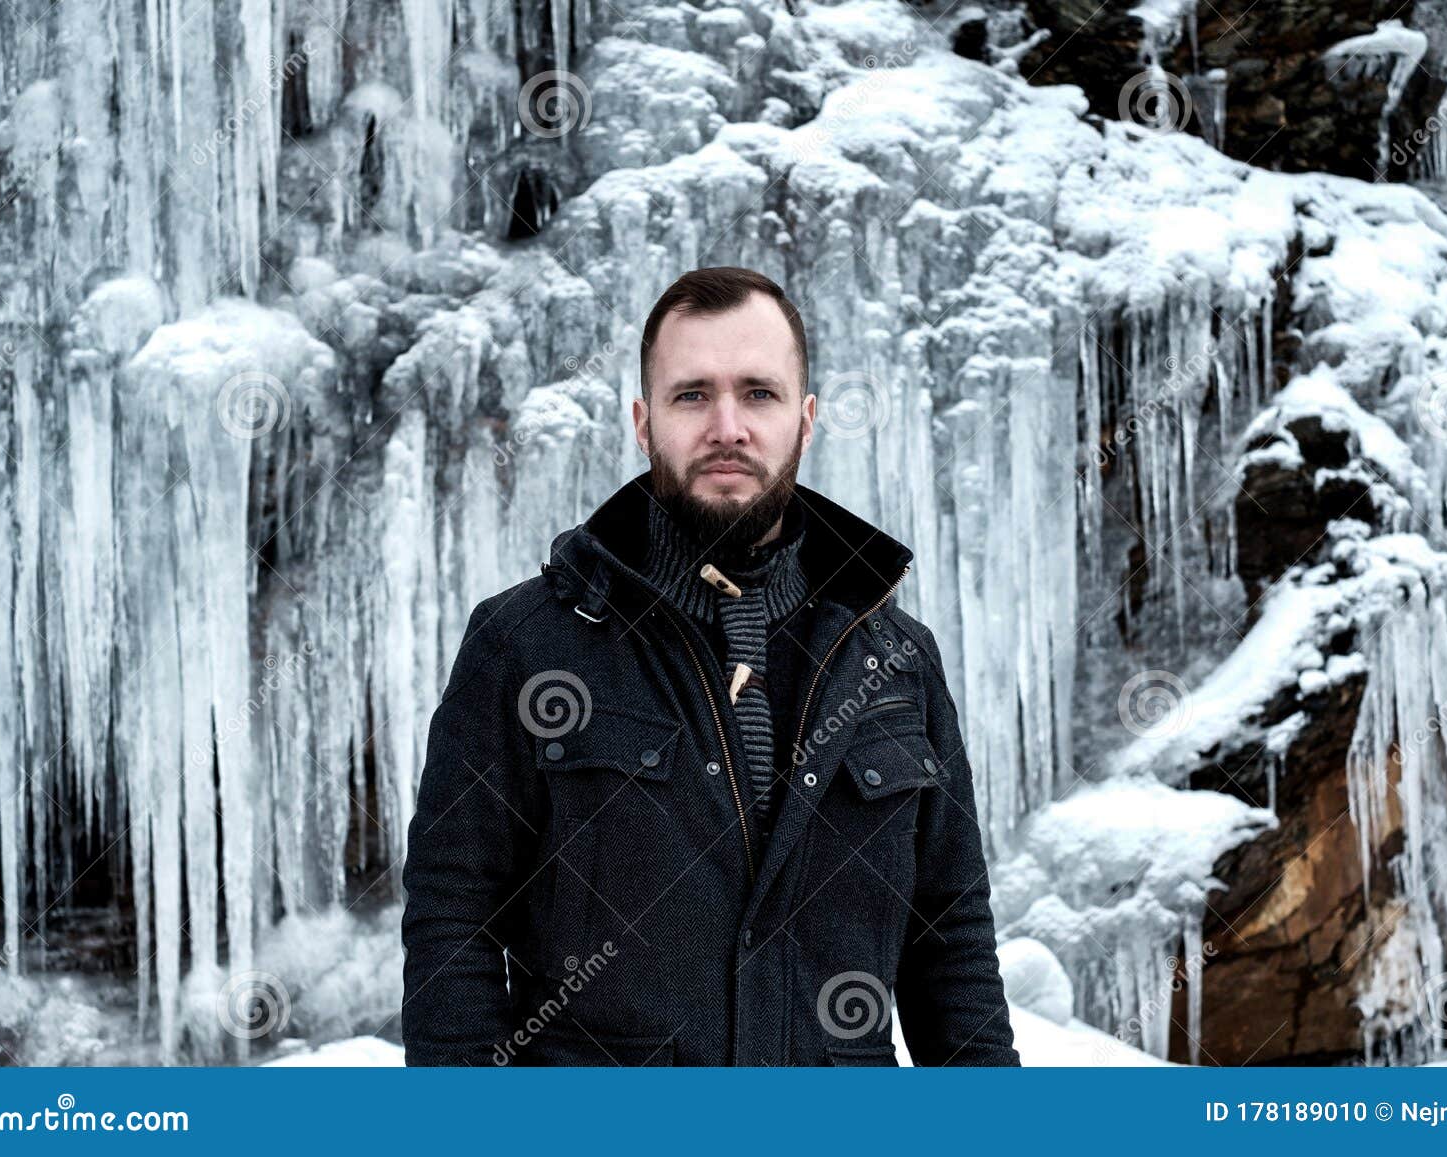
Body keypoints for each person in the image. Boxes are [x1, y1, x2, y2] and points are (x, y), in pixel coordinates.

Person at [400, 266, 1018, 1066]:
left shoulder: (895, 658)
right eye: (692, 395)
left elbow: (952, 941)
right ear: (642, 422)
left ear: (806, 418)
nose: (727, 425)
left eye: (758, 394)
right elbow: (454, 920)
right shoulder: (526, 644)